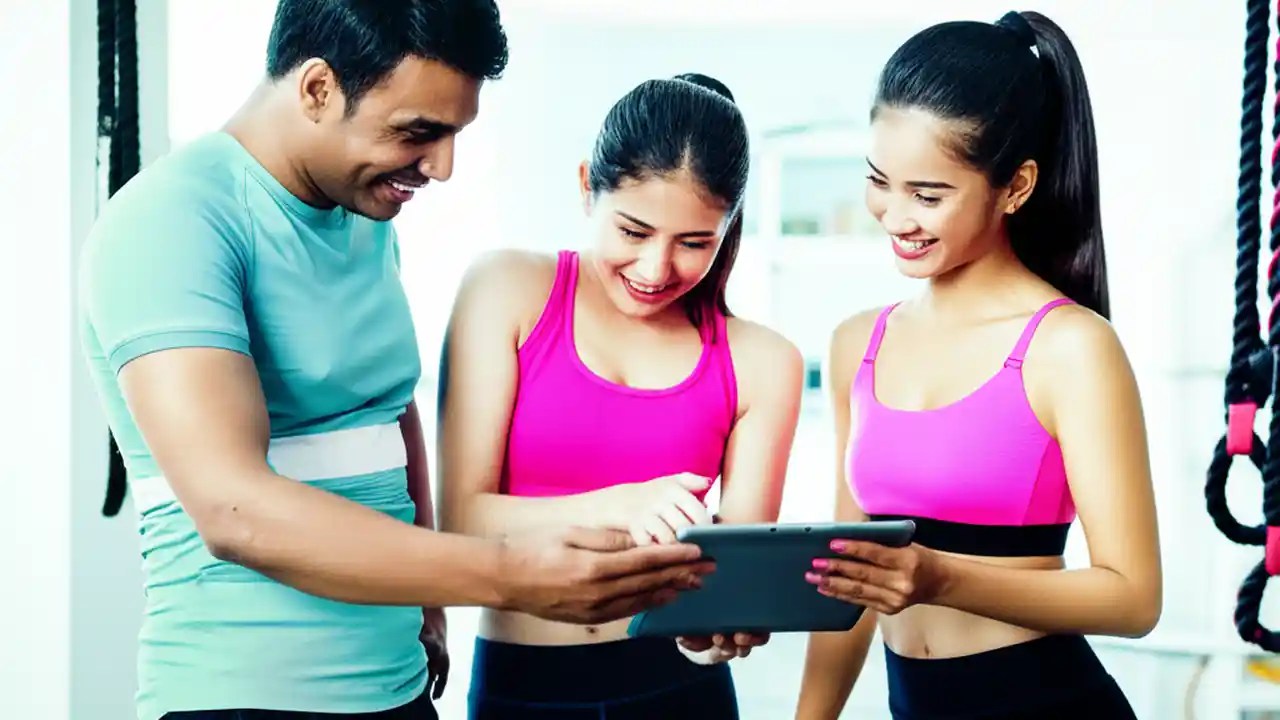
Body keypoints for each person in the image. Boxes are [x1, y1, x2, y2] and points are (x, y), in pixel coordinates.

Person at [77, 3, 713, 720]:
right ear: (318, 88)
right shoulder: (171, 220)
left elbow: (388, 405)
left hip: (399, 688)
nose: (441, 167)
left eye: (453, 135)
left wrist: (431, 607)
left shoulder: (360, 211)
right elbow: (233, 510)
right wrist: (508, 575)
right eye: (419, 132)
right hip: (243, 697)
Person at [794, 11, 1161, 720]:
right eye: (880, 181)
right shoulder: (856, 344)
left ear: (1015, 187)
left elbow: (1134, 597)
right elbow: (854, 583)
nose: (895, 216)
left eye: (928, 195)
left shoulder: (1069, 347)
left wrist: (936, 577)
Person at [436, 73, 805, 719]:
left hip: (682, 691)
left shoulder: (764, 361)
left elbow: (733, 575)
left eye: (695, 243)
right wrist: (624, 507)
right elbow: (463, 521)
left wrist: (717, 632)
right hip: (523, 688)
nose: (656, 270)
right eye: (633, 232)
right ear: (587, 186)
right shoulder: (507, 289)